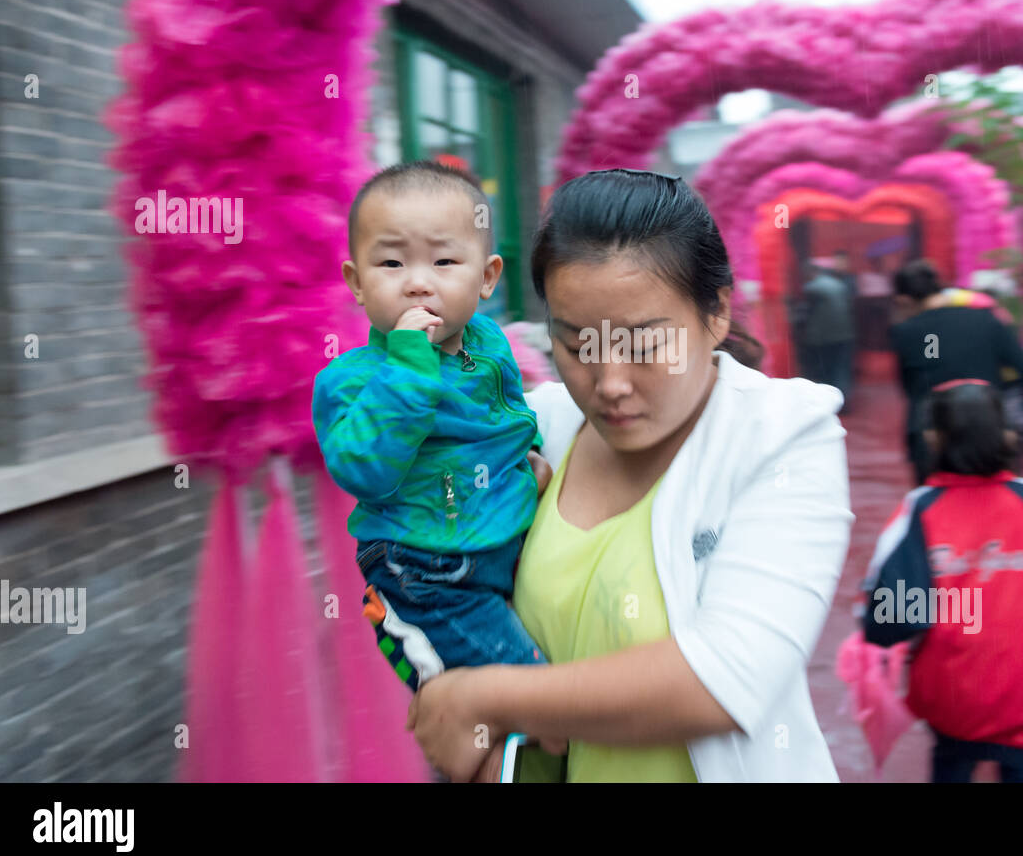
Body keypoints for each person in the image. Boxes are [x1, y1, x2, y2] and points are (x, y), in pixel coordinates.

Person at [405, 168, 854, 782]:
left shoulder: (781, 436)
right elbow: (424, 572)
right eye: (577, 345)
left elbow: (726, 679)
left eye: (644, 344)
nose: (610, 383)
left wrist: (488, 699)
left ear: (716, 311)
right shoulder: (535, 428)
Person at [311, 160, 553, 701]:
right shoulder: (350, 381)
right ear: (356, 282)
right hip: (425, 566)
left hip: (501, 539)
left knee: (553, 666)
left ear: (487, 277)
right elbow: (365, 471)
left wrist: (528, 452)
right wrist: (408, 370)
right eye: (392, 262)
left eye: (444, 261)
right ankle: (406, 632)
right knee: (536, 697)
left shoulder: (488, 343)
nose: (419, 282)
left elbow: (508, 409)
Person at [861, 380, 1023, 782]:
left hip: (954, 703)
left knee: (952, 762)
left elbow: (889, 619)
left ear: (934, 439)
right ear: (1007, 436)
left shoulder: (920, 511)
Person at [888, 259, 1023, 495]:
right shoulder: (987, 319)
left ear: (904, 300)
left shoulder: (905, 333)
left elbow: (912, 389)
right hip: (988, 436)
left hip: (932, 441)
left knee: (935, 515)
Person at [793, 258, 856, 406]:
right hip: (845, 333)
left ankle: (832, 402)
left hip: (824, 336)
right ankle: (844, 401)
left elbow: (804, 312)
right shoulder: (839, 284)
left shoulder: (811, 287)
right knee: (842, 369)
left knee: (826, 370)